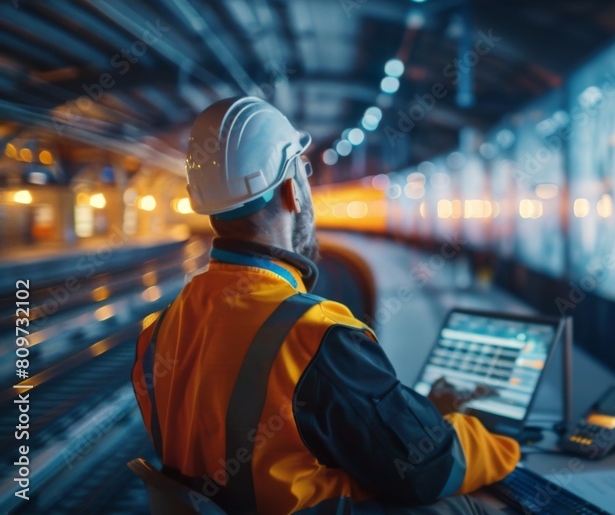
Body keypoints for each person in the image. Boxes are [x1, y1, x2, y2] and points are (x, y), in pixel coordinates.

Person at [131, 97, 519, 514]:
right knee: (481, 506)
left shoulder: (158, 332)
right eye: (304, 173)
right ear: (291, 191)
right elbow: (424, 467)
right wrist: (502, 444)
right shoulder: (313, 334)